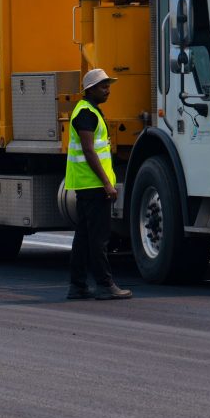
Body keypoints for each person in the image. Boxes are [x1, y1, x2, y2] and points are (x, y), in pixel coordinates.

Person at [65, 68, 133, 301]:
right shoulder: (86, 113)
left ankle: (78, 286)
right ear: (90, 89)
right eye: (103, 86)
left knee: (84, 237)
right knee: (98, 238)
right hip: (93, 185)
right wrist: (107, 184)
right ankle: (105, 285)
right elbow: (88, 150)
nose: (108, 90)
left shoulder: (89, 111)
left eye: (108, 85)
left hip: (87, 184)